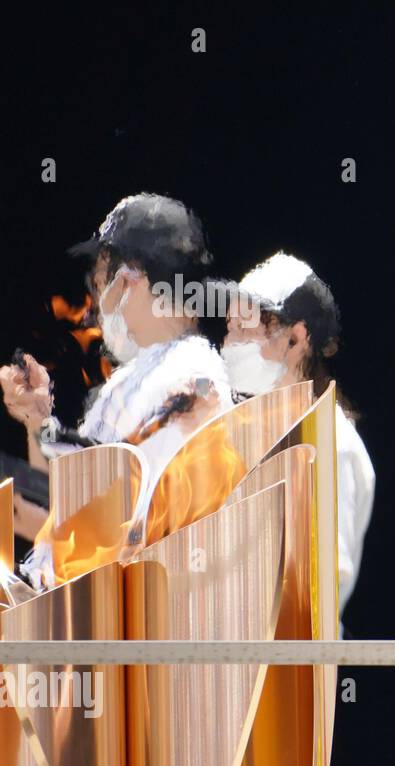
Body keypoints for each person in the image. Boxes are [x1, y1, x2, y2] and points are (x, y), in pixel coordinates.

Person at [0, 193, 232, 587]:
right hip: (74, 601)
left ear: (129, 280)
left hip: (123, 616)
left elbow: (117, 534)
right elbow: (64, 501)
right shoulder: (133, 378)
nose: (94, 302)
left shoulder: (194, 381)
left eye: (100, 279)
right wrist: (37, 419)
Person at [220, 251, 375, 616]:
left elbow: (325, 581)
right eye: (229, 328)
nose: (229, 343)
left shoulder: (330, 441)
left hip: (288, 663)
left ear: (296, 338)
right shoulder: (233, 431)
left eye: (245, 329)